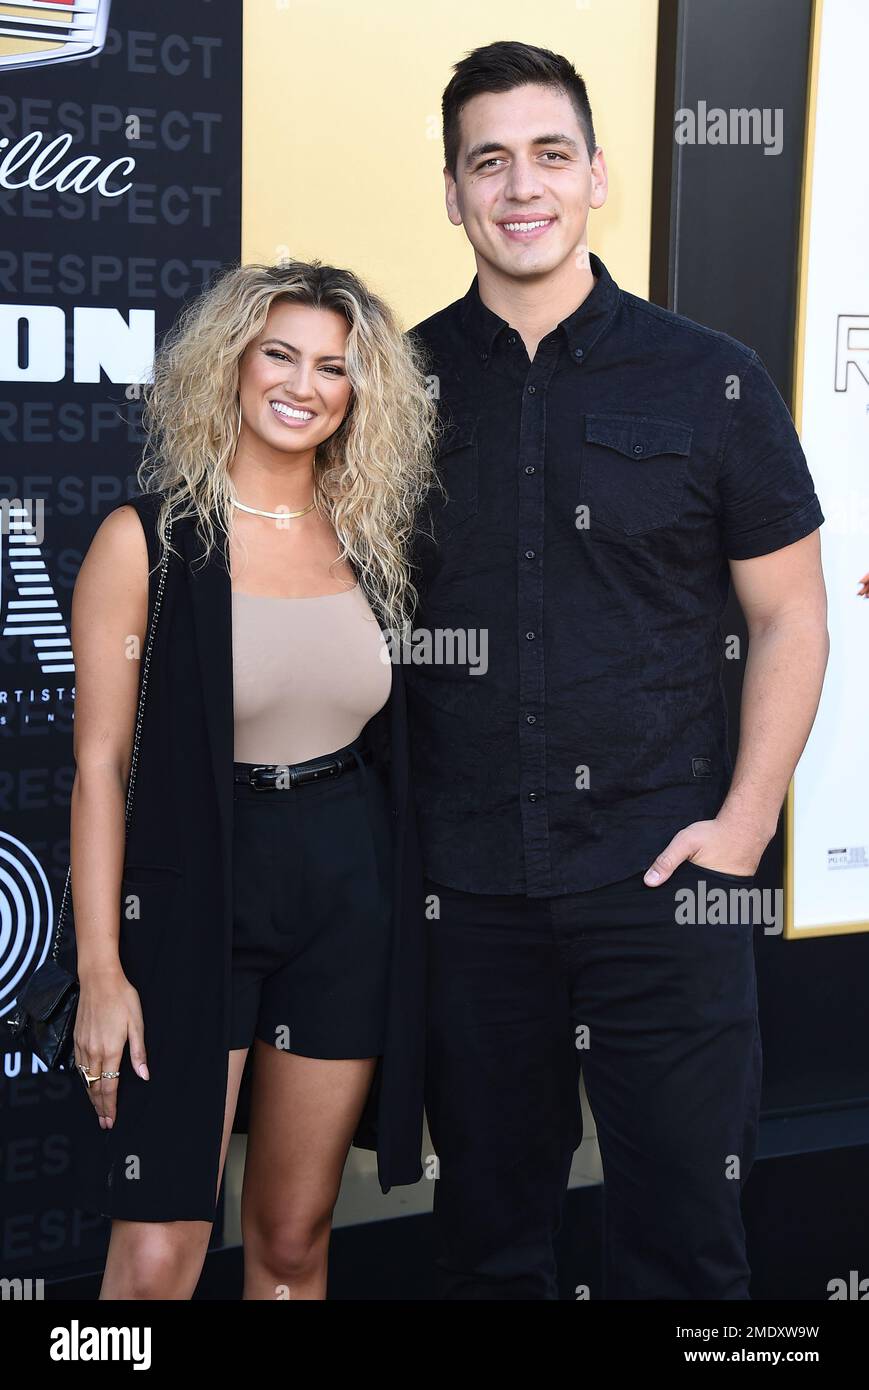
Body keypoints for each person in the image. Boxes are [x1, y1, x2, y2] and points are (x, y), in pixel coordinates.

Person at [406, 40, 829, 1299]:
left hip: (666, 881)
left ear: (596, 176)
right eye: (488, 161)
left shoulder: (711, 376)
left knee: (686, 1250)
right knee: (489, 1247)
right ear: (451, 191)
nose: (519, 185)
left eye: (547, 155)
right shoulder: (391, 388)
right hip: (465, 896)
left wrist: (743, 828)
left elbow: (793, 616)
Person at [70, 260, 436, 1299]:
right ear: (231, 363)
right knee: (156, 1254)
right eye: (280, 353)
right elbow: (101, 768)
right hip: (195, 897)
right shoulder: (144, 541)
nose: (302, 384)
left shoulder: (371, 544)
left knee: (291, 1240)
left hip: (345, 898)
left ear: (357, 392)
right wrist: (102, 973)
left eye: (333, 365)